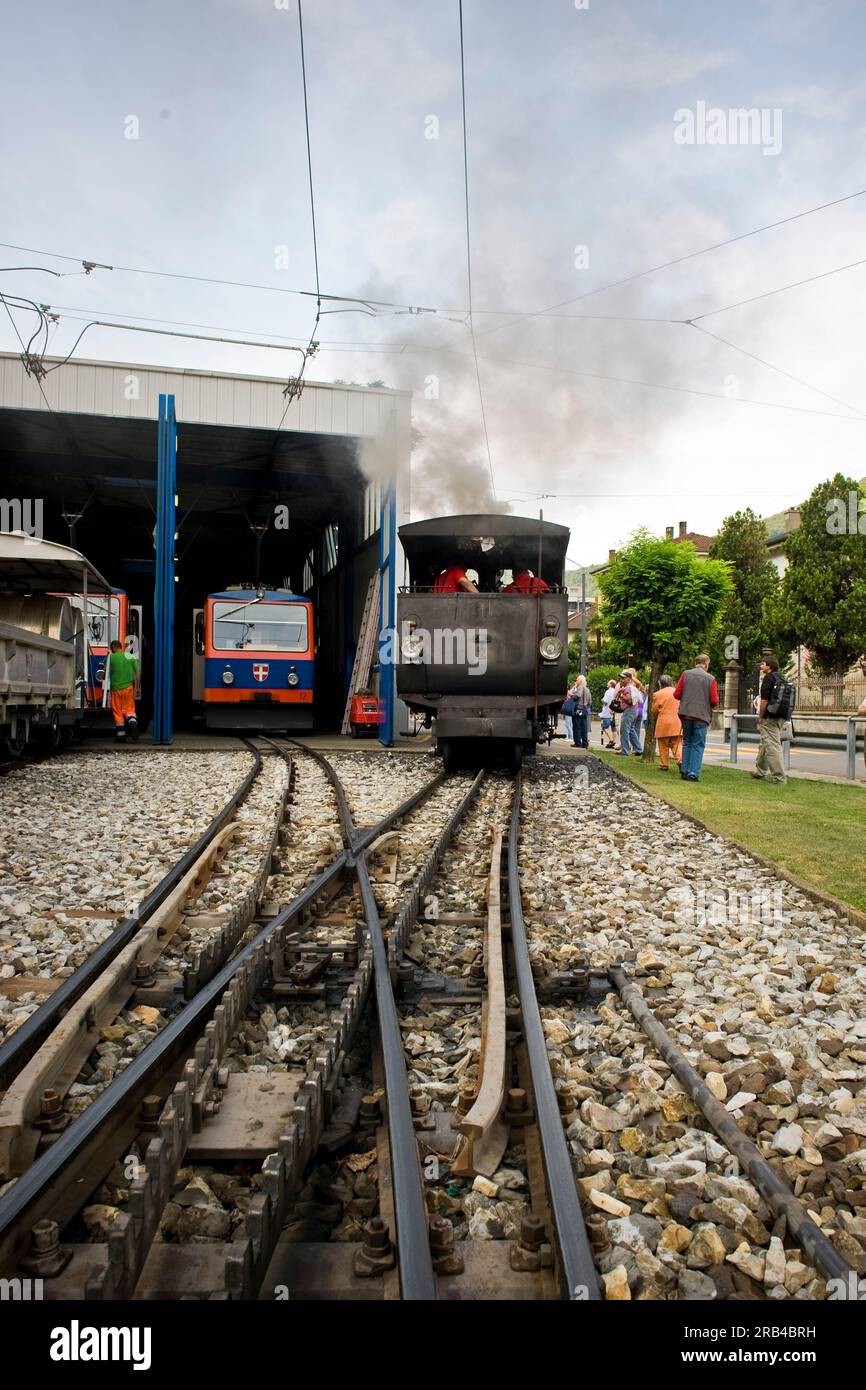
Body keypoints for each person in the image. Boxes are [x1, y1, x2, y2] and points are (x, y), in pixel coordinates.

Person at [673, 654, 718, 781]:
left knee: (687, 742)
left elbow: (676, 694)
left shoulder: (685, 674)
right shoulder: (711, 679)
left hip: (686, 714)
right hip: (701, 716)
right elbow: (714, 700)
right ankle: (693, 772)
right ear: (706, 664)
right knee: (698, 744)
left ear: (695, 663)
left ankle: (684, 770)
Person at [751, 654, 786, 785]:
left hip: (769, 717)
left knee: (772, 746)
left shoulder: (768, 678)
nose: (761, 666)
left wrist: (760, 716)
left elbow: (764, 700)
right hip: (779, 716)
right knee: (765, 744)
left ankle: (779, 777)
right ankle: (760, 771)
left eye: (763, 664)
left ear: (769, 666)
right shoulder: (781, 677)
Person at [104, 639, 140, 742]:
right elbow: (137, 672)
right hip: (128, 688)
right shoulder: (130, 656)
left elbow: (105, 672)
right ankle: (133, 722)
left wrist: (109, 655)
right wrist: (137, 687)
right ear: (120, 647)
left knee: (117, 711)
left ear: (113, 648)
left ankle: (121, 736)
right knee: (129, 709)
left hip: (115, 689)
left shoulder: (112, 657)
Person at [651, 674, 682, 770]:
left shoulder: (657, 694)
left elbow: (654, 710)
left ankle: (664, 764)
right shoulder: (677, 692)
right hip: (677, 721)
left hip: (663, 722)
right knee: (676, 744)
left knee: (663, 745)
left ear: (660, 684)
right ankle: (680, 760)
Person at [613, 671, 642, 755]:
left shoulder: (628, 688)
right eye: (620, 678)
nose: (620, 680)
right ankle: (639, 749)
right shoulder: (630, 687)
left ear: (628, 679)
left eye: (623, 678)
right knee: (631, 730)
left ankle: (625, 750)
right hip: (633, 710)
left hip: (629, 710)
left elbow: (629, 701)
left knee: (624, 730)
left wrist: (621, 695)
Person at [570, 674, 592, 748]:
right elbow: (590, 702)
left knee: (577, 726)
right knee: (584, 727)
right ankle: (585, 743)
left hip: (579, 709)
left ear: (580, 681)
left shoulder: (580, 687)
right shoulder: (587, 689)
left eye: (577, 680)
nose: (576, 681)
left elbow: (578, 695)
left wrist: (571, 695)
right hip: (585, 709)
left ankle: (578, 743)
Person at [600, 679, 618, 748]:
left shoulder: (608, 691)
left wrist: (602, 700)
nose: (607, 684)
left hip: (607, 711)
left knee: (604, 727)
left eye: (608, 683)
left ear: (610, 684)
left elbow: (606, 701)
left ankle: (611, 740)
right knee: (614, 728)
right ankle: (614, 740)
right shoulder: (615, 691)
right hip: (613, 711)